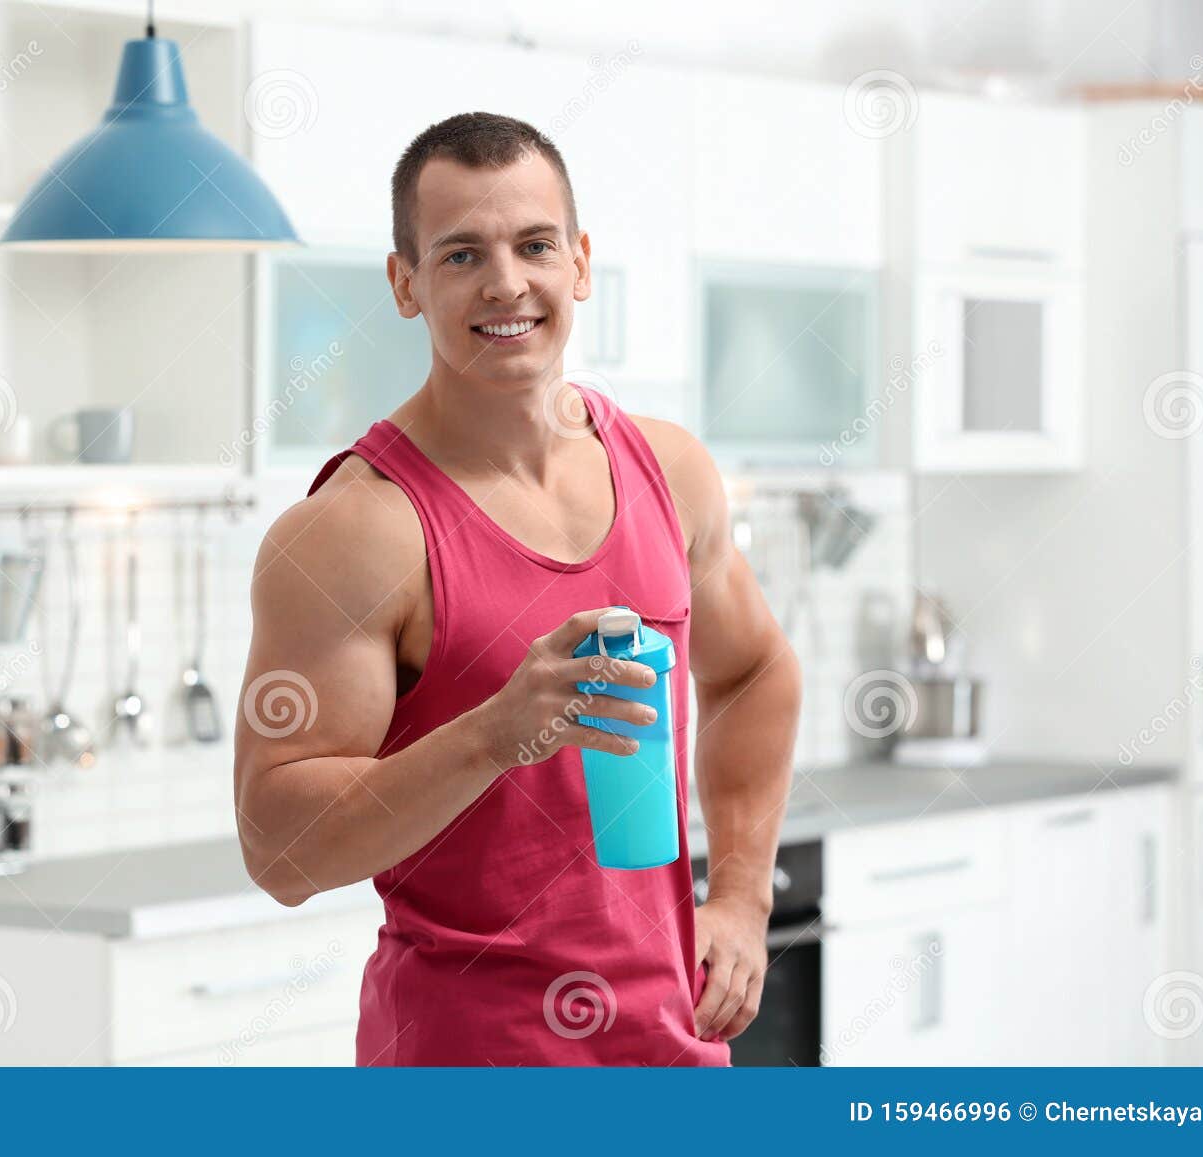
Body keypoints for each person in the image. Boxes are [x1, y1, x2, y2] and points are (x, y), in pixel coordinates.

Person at [233, 111, 801, 1066]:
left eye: (534, 245)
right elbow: (280, 849)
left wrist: (741, 895)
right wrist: (495, 733)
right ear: (405, 284)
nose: (507, 283)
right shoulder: (355, 531)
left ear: (579, 263)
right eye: (461, 255)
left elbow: (753, 674)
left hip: (673, 1049)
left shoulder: (670, 471)